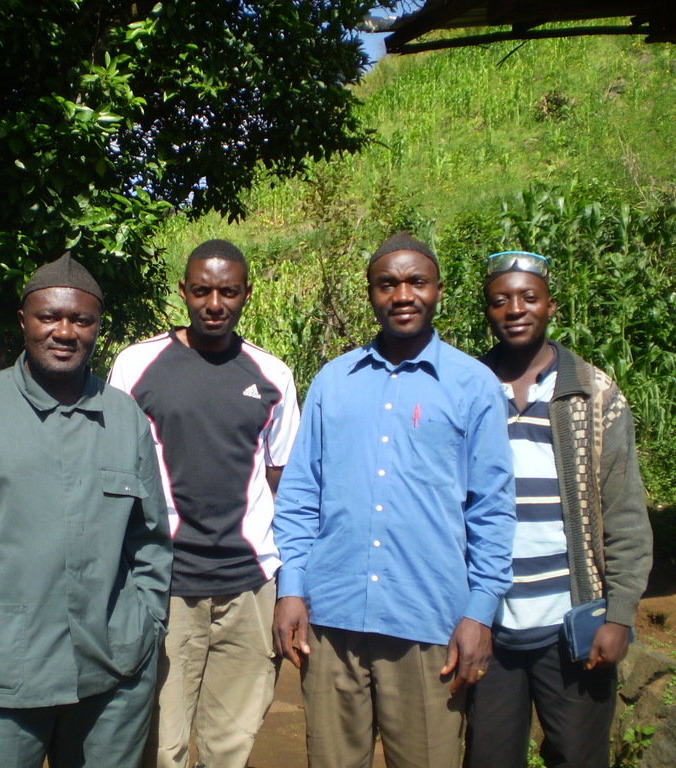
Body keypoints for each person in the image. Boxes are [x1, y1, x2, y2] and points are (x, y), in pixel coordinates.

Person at [271, 231, 516, 768]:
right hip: (332, 621)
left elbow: (492, 508)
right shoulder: (333, 383)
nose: (402, 295)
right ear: (371, 294)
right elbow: (300, 494)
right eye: (388, 284)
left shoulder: (473, 386)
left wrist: (480, 611)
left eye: (416, 282)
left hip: (429, 624)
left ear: (438, 291)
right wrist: (291, 588)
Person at [0, 252, 172, 768]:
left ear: (98, 327)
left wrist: (146, 626)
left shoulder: (125, 418)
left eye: (81, 320)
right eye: (49, 317)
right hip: (0, 680)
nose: (65, 331)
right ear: (23, 321)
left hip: (112, 674)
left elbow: (151, 540)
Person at [109, 239, 300, 768]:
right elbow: (115, 472)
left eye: (228, 292)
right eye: (201, 290)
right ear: (183, 292)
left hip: (250, 586)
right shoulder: (136, 366)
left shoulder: (272, 376)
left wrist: (290, 582)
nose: (214, 304)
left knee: (230, 746)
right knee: (161, 745)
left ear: (246, 294)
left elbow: (282, 478)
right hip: (165, 583)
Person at [464, 251, 652, 768]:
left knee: (577, 755)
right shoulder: (469, 388)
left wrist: (619, 615)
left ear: (551, 306)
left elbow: (626, 515)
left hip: (570, 623)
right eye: (500, 300)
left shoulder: (593, 394)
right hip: (491, 623)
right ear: (488, 311)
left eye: (528, 297)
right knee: (489, 755)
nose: (515, 309)